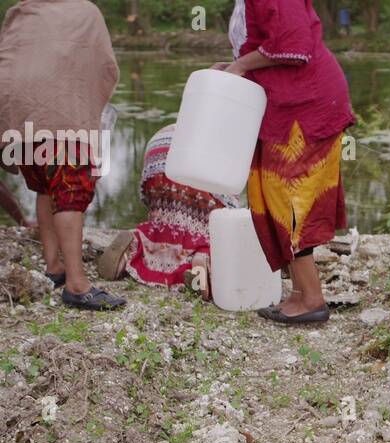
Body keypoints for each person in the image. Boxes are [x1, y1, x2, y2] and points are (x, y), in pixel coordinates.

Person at [224, 0, 356, 324]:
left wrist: (241, 66)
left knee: (291, 198)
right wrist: (236, 66)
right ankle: (299, 294)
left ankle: (311, 298)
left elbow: (294, 46)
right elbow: (267, 41)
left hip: (307, 106)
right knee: (276, 195)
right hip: (287, 103)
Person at [0, 0, 124, 310]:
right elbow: (104, 66)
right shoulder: (86, 12)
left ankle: (54, 267)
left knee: (44, 187)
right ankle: (77, 285)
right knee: (71, 194)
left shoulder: (20, 12)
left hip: (22, 119)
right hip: (63, 118)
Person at [97, 125, 240, 298]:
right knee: (208, 238)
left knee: (158, 228)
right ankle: (200, 259)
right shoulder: (225, 138)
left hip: (160, 150)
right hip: (201, 162)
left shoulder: (185, 123)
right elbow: (229, 204)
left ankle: (132, 247)